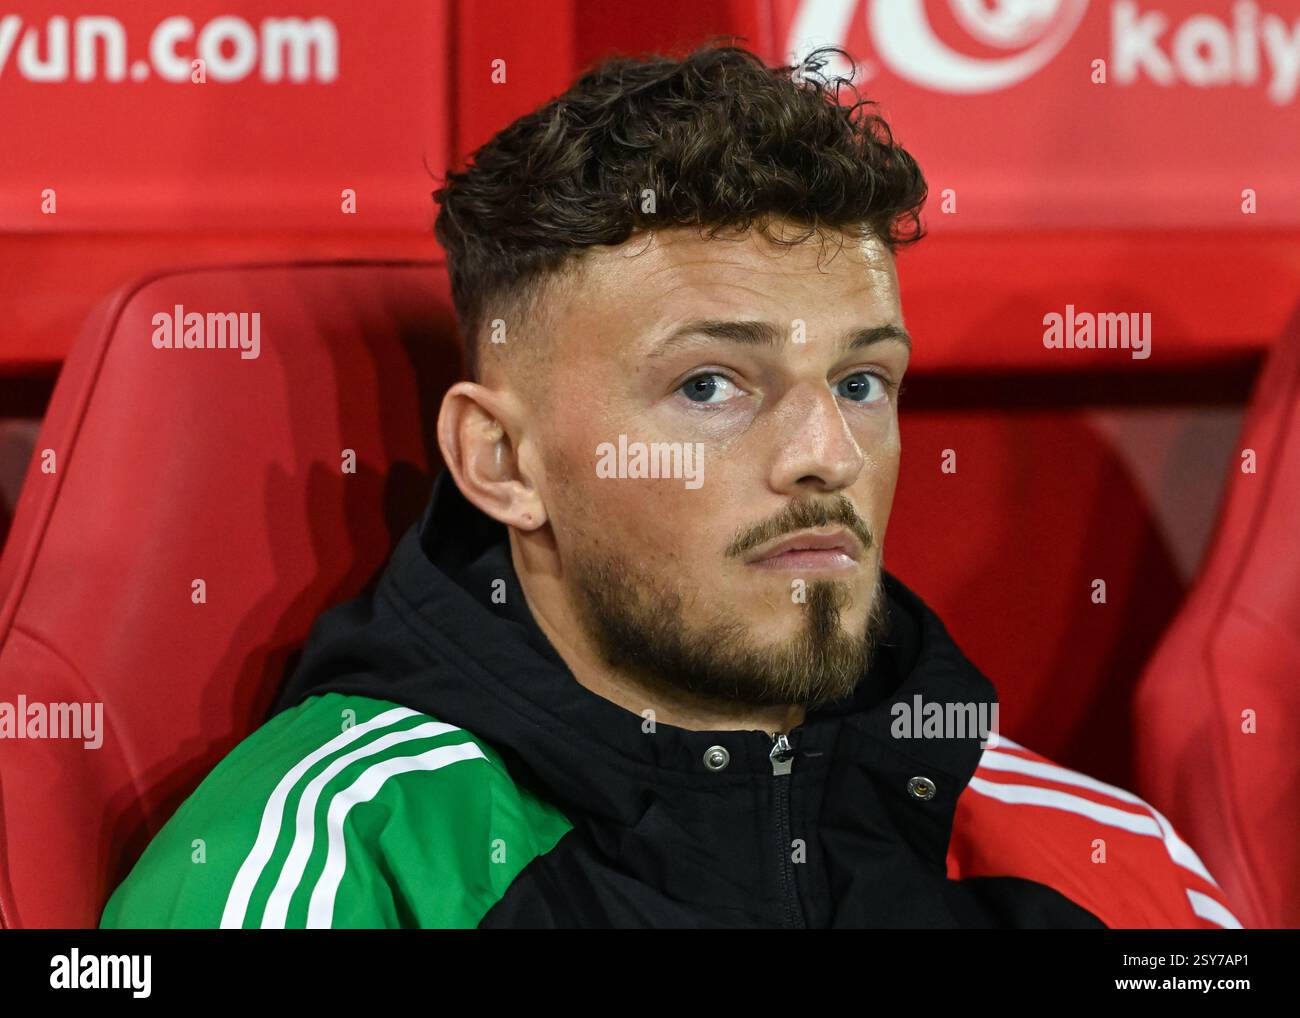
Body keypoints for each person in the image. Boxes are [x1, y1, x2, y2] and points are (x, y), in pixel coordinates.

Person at [99, 43, 1240, 929]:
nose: (826, 455)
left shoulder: (1098, 858)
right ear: (503, 462)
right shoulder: (327, 861)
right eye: (709, 385)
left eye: (859, 380)